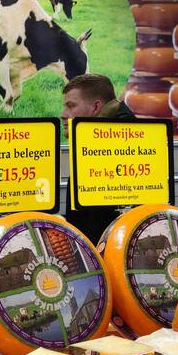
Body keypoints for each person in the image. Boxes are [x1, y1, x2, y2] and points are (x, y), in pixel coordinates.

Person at [59, 72, 136, 243]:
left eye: (71, 106)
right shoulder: (95, 138)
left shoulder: (118, 143)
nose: (63, 114)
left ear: (95, 107)